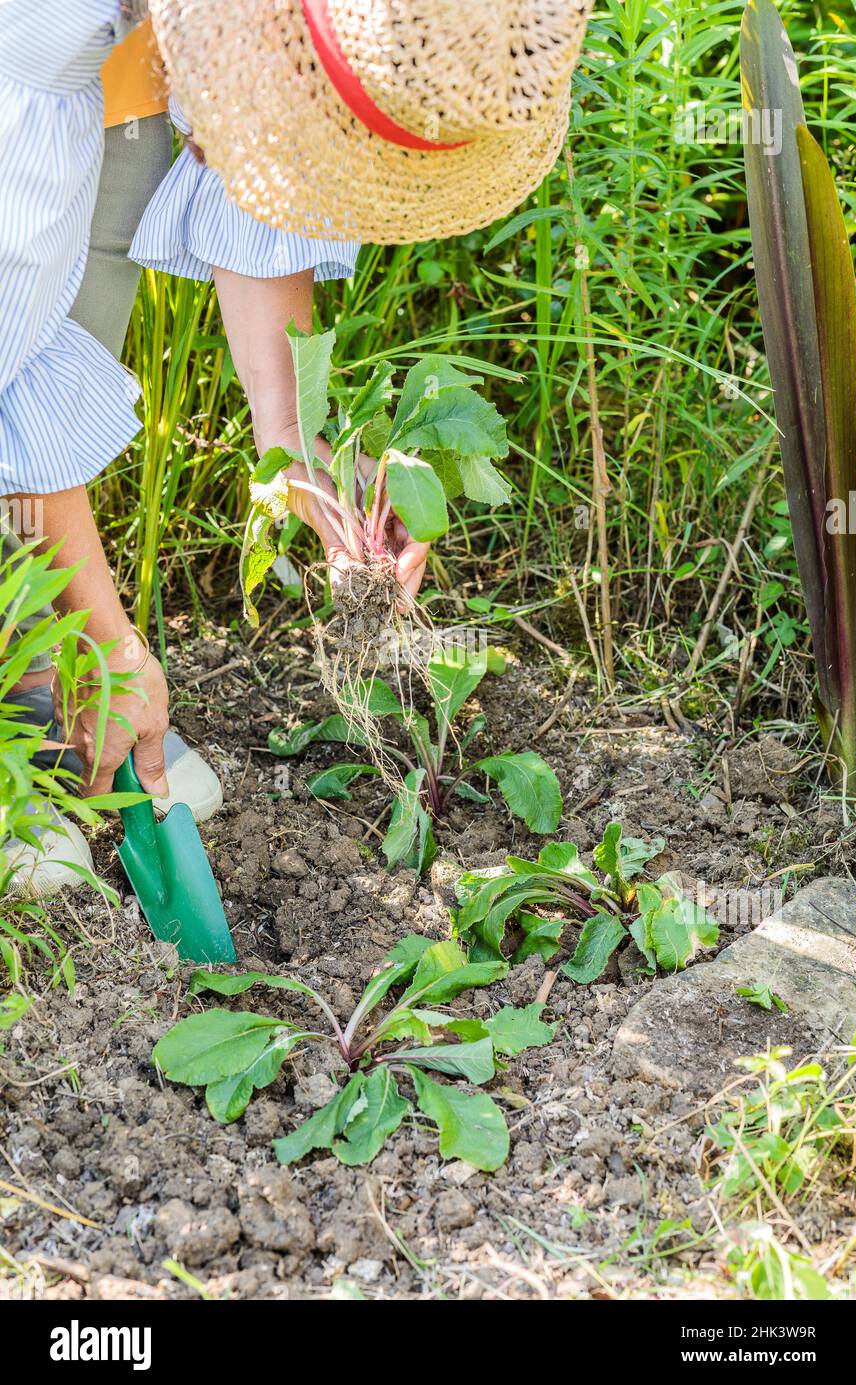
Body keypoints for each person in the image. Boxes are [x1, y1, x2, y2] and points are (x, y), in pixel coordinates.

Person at [1, 0, 590, 893]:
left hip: (116, 80)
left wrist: (293, 442)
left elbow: (269, 180)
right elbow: (10, 378)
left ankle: (42, 694)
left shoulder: (288, 28)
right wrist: (111, 643)